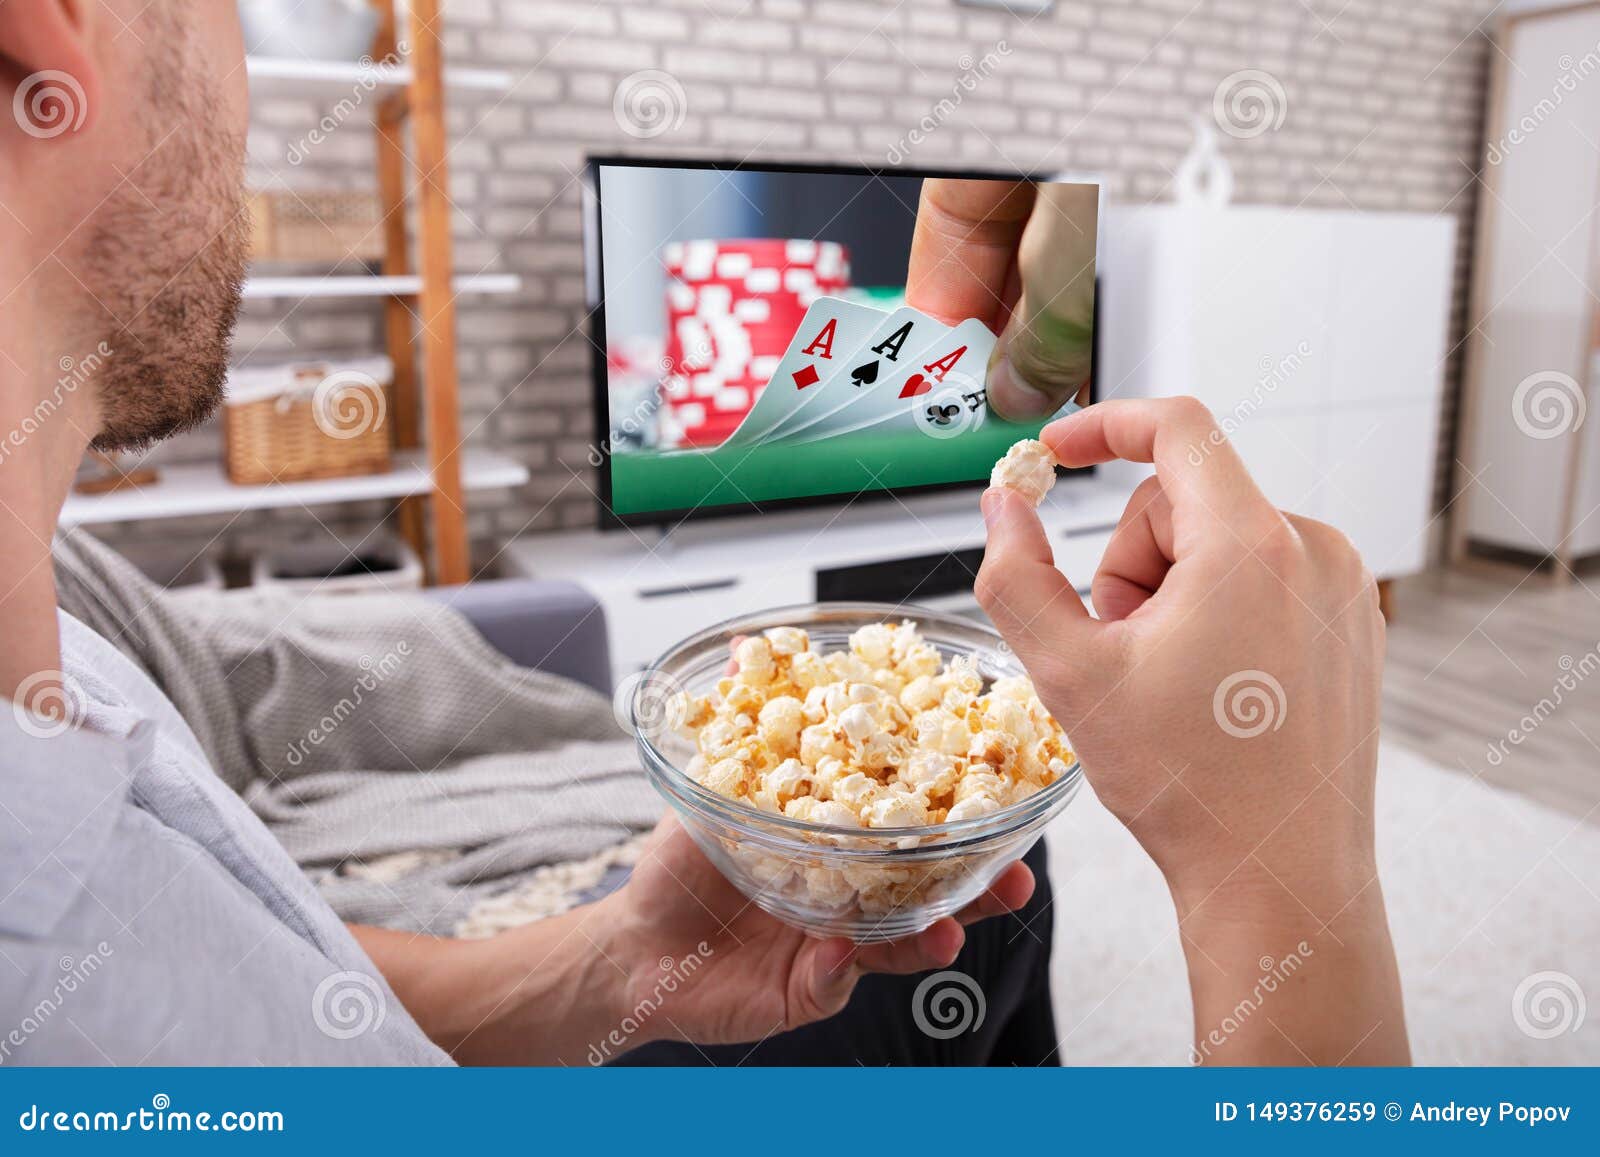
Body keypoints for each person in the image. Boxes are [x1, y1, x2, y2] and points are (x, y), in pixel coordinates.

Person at [0, 2, 1407, 1067]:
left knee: (987, 918)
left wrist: (615, 961)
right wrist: (1287, 880)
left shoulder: (61, 689)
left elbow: (297, 984)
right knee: (997, 922)